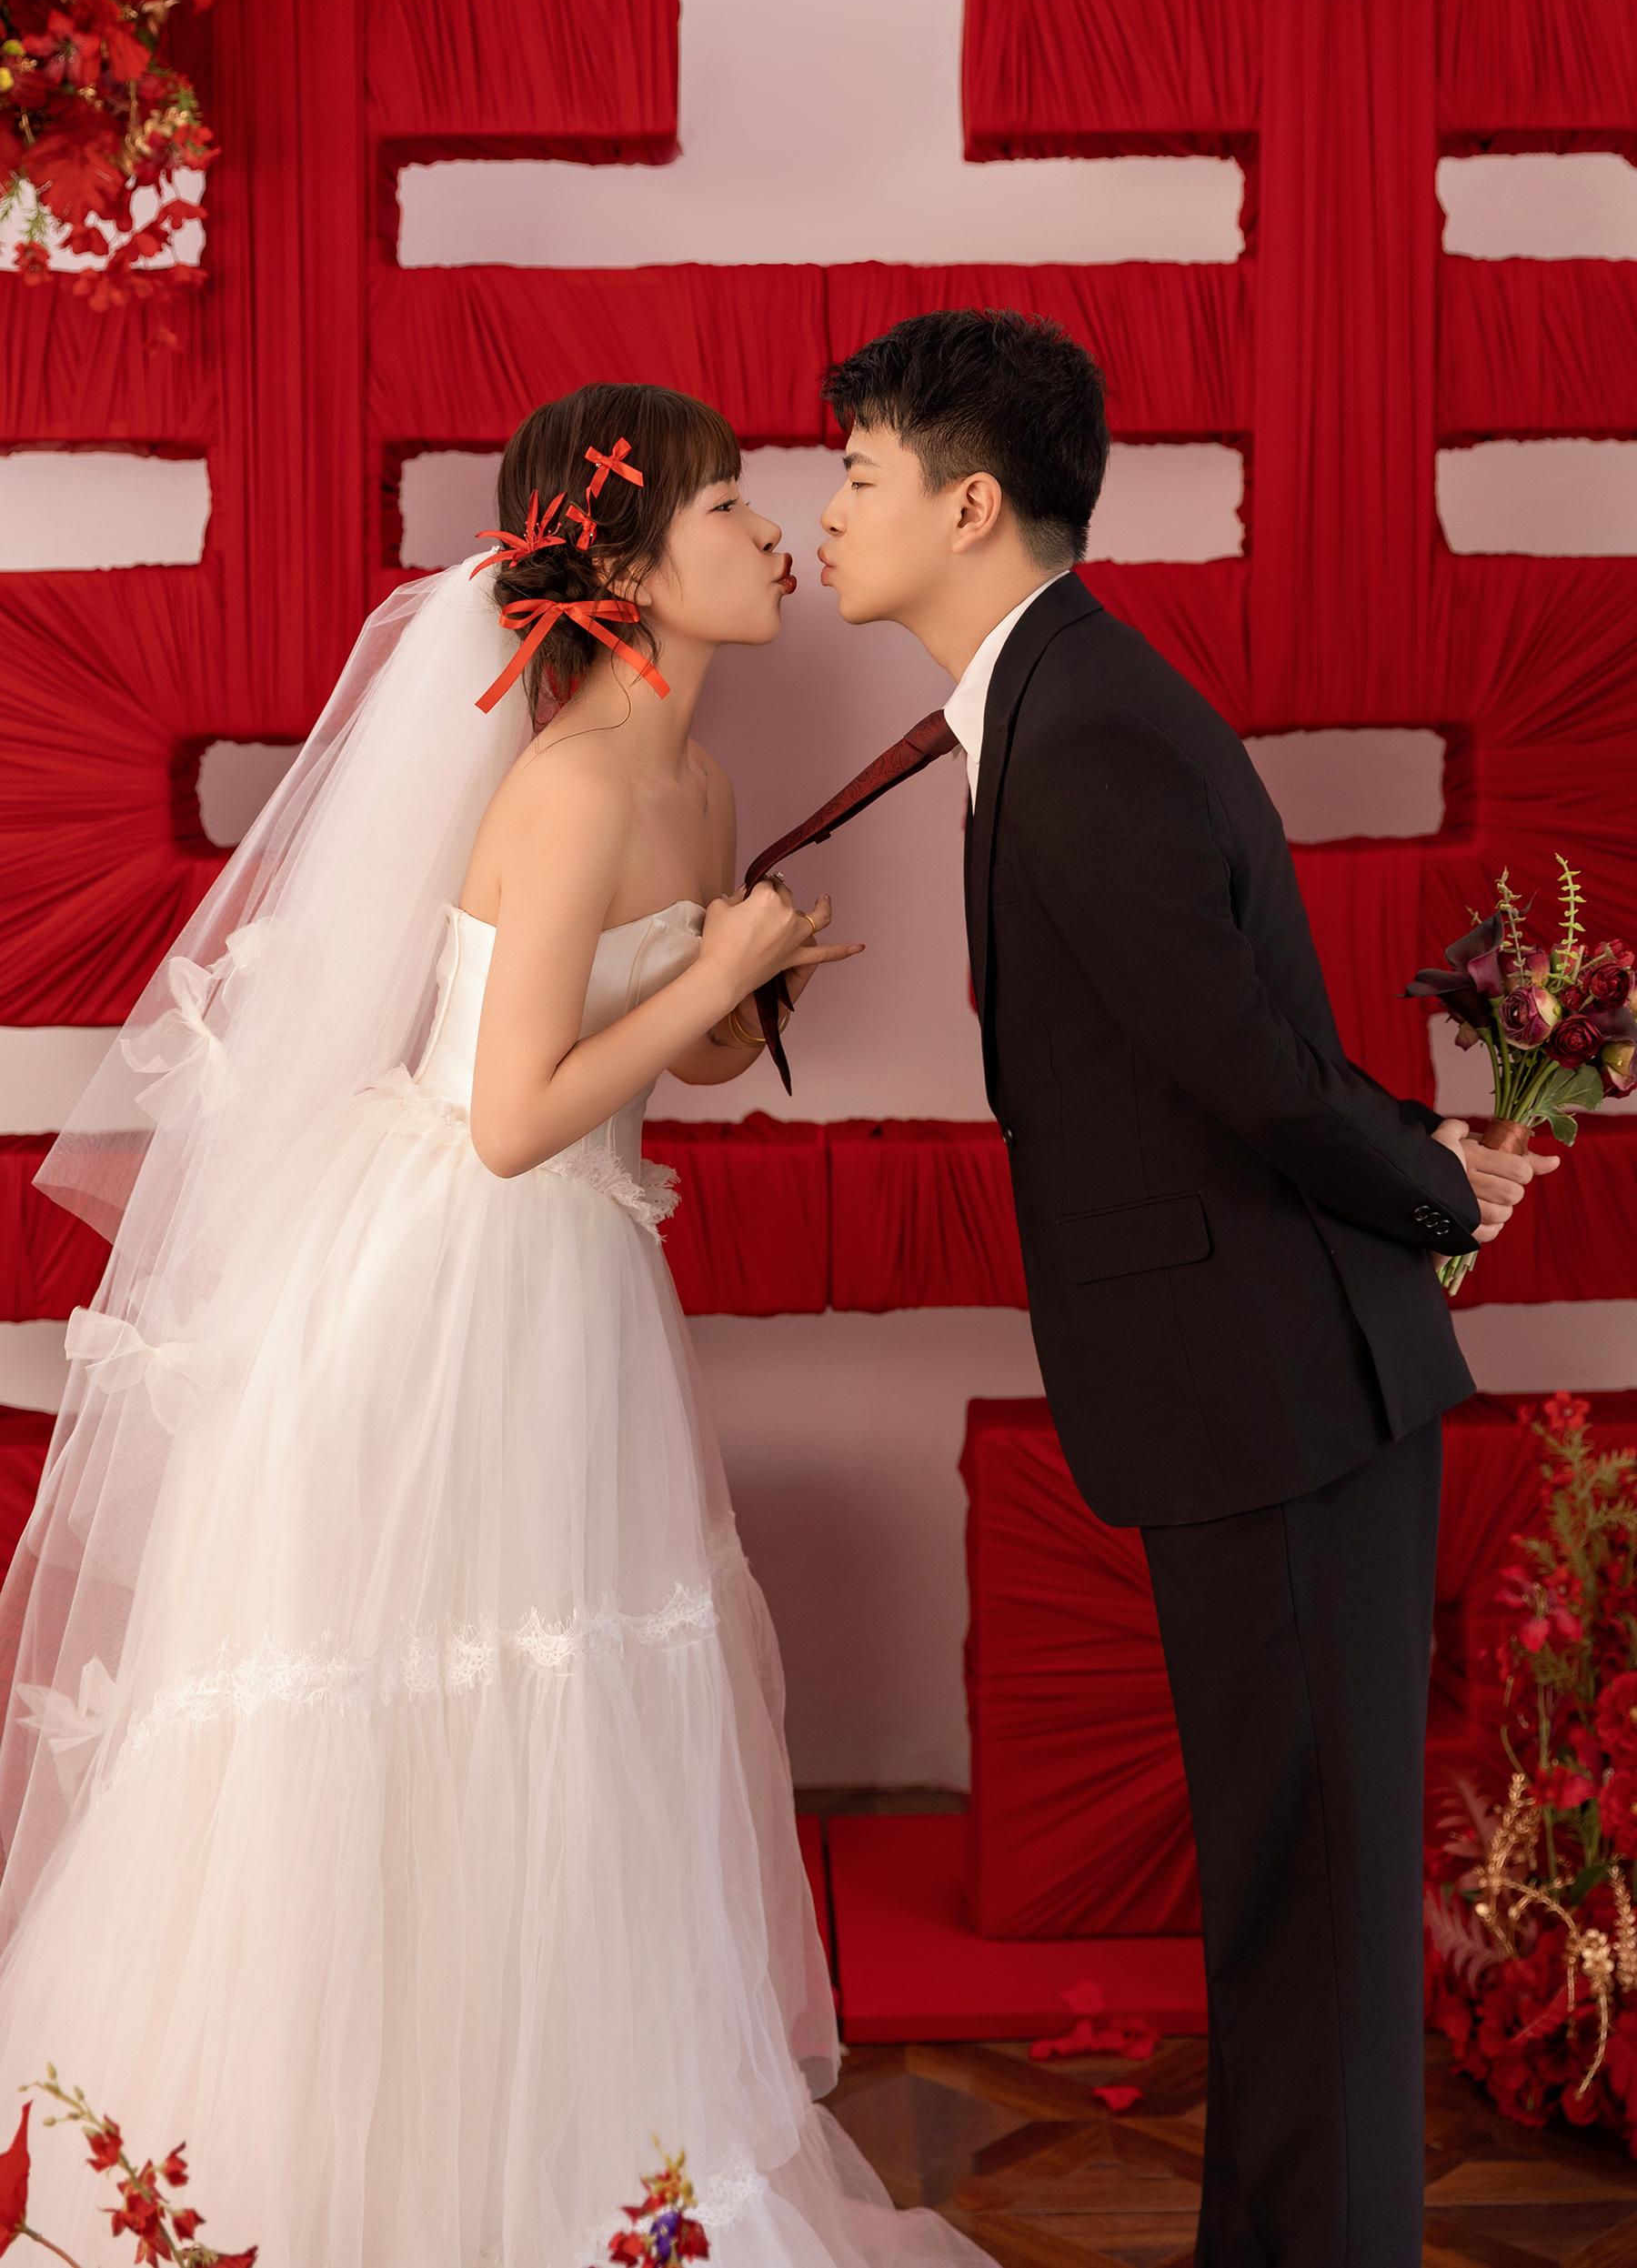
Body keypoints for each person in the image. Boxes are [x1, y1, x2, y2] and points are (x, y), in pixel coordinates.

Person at [0, 381, 993, 2267]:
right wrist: (708, 965)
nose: (772, 536)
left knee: (570, 1698)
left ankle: (552, 2163)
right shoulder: (568, 785)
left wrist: (747, 987)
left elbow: (675, 1058)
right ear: (631, 567)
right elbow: (513, 1117)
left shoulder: (696, 783)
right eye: (728, 508)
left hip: (571, 1282)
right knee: (424, 1699)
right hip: (445, 1287)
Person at [812, 307, 1560, 2268]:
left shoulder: (1085, 729)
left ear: (970, 505)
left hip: (1277, 1388)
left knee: (1310, 1909)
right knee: (1284, 1901)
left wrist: (1426, 1184)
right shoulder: (1067, 701)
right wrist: (1423, 1150)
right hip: (1254, 1380)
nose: (830, 514)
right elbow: (1233, 1042)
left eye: (860, 475)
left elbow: (1239, 1061)